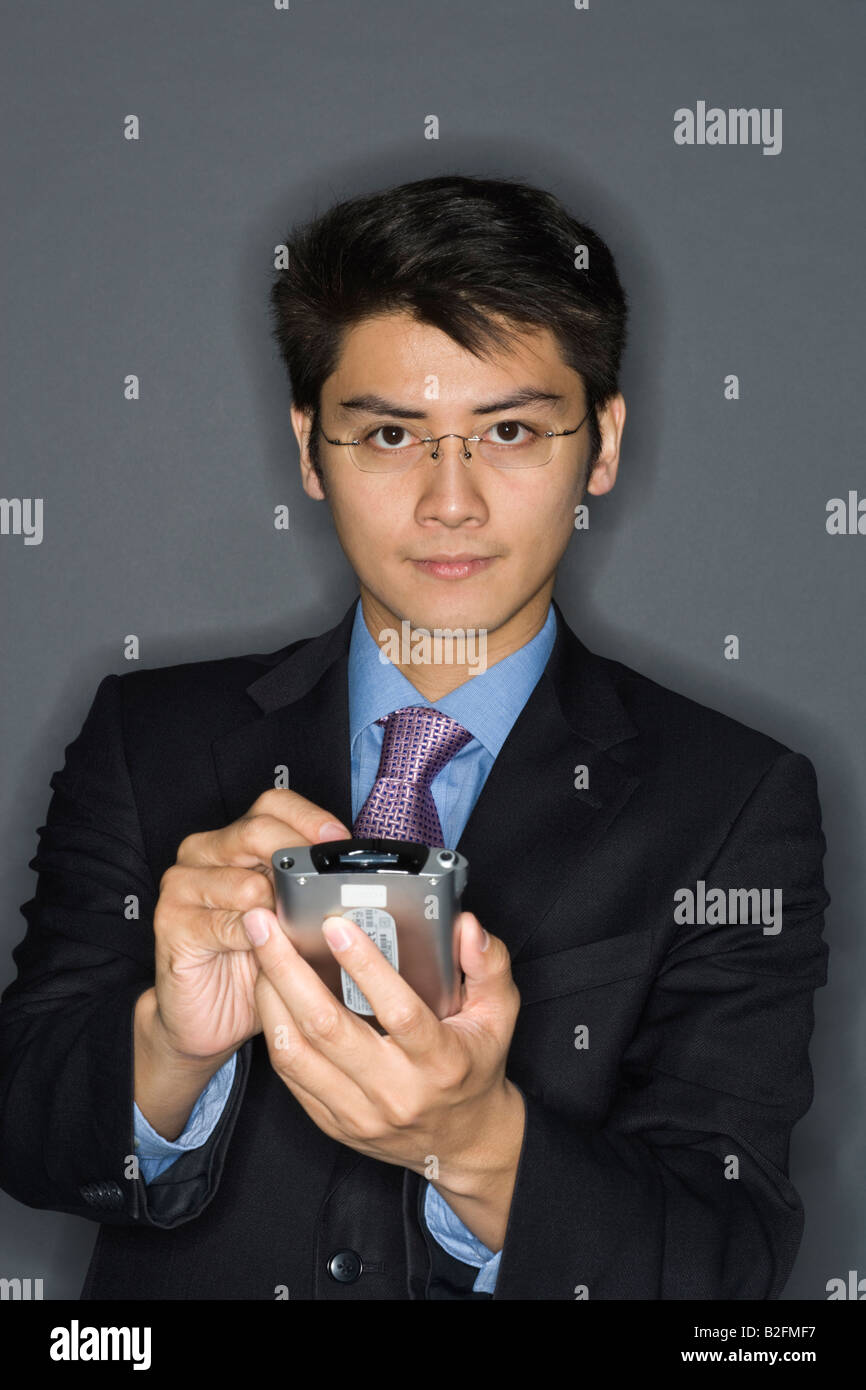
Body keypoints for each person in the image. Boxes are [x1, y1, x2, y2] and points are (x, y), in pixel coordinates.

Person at [0, 174, 829, 1300]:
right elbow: (27, 1136)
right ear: (309, 447)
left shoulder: (734, 799)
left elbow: (721, 1260)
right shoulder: (147, 739)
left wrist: (477, 1141)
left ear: (600, 445)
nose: (450, 501)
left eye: (510, 431)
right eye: (391, 433)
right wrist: (169, 1046)